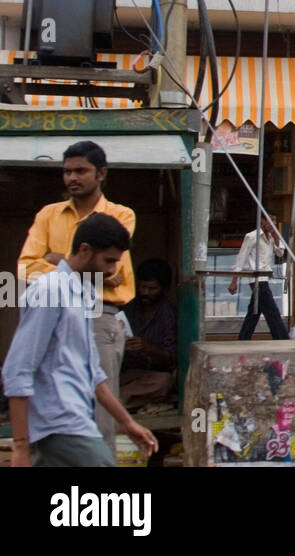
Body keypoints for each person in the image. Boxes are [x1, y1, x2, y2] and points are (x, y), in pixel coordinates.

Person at [3, 213, 158, 467]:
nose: (111, 270)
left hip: (75, 419)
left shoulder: (82, 294)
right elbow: (17, 369)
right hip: (59, 422)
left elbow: (93, 373)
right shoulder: (50, 291)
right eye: (108, 260)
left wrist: (127, 422)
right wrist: (21, 447)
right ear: (85, 250)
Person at [17, 140, 137, 448]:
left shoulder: (121, 215)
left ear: (101, 174)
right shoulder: (49, 214)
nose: (72, 177)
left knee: (98, 415)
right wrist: (73, 268)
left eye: (81, 171)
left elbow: (113, 274)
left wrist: (58, 260)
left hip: (100, 317)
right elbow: (25, 269)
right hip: (54, 310)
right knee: (52, 401)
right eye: (67, 171)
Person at [120, 258, 178, 407]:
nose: (145, 293)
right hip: (126, 372)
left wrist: (147, 348)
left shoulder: (168, 315)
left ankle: (122, 398)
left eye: (152, 289)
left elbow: (171, 358)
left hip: (151, 375)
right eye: (142, 287)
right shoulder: (128, 308)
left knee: (164, 382)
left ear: (164, 289)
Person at [229, 214, 290, 340]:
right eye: (269, 220)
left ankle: (243, 339)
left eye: (274, 220)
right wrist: (234, 281)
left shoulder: (271, 238)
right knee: (271, 310)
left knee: (254, 312)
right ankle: (282, 338)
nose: (271, 223)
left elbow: (280, 253)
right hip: (257, 278)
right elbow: (241, 259)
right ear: (262, 221)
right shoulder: (252, 237)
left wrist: (276, 236)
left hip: (265, 277)